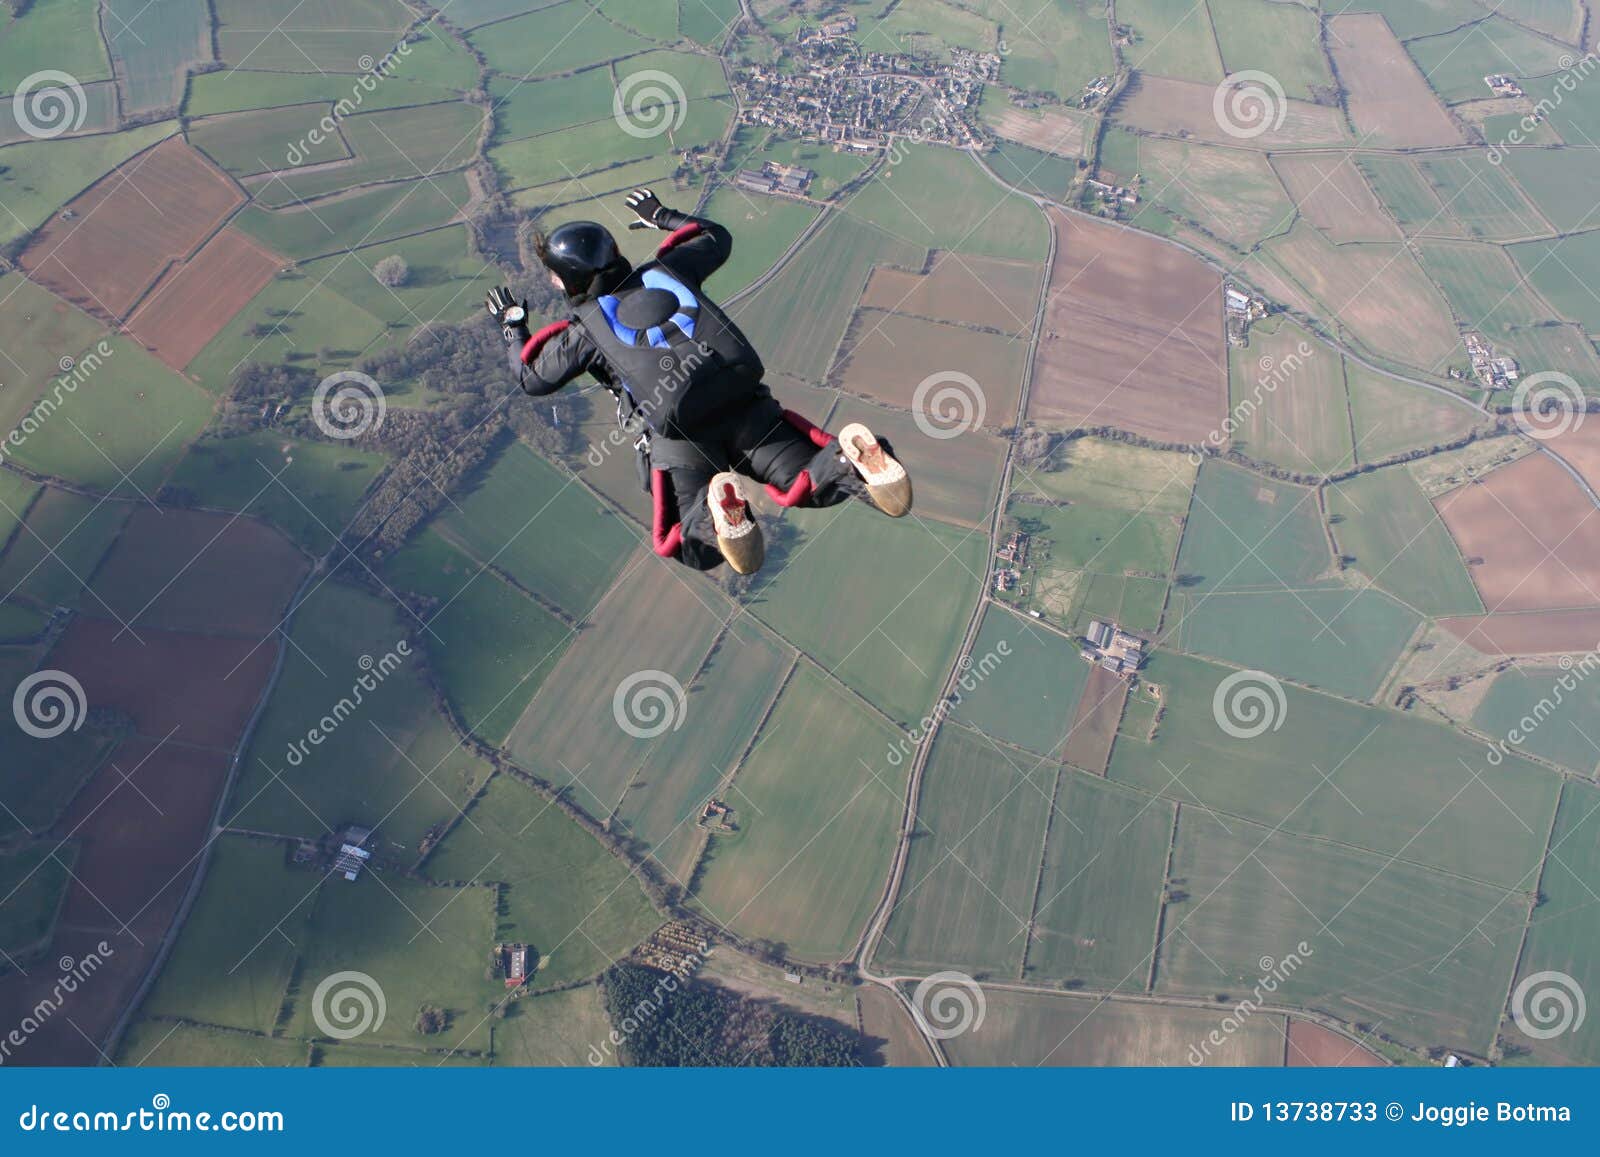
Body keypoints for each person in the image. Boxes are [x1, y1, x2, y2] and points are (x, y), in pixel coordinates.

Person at [485, 188, 911, 575]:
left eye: (554, 276)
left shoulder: (583, 334)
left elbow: (531, 379)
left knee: (688, 540)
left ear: (571, 280)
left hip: (680, 437)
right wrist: (663, 215)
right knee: (806, 477)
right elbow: (716, 237)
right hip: (745, 405)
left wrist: (513, 327)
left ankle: (713, 516)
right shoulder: (671, 269)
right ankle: (848, 460)